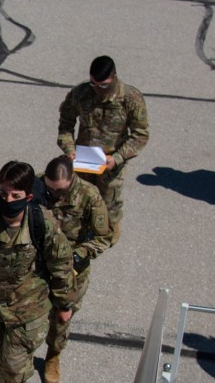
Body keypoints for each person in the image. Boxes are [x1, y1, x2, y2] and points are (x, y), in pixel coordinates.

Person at [0, 161, 74, 383]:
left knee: (13, 365)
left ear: (28, 197)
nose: (8, 200)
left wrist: (64, 304)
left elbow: (61, 265)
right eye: (3, 193)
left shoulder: (41, 223)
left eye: (16, 196)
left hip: (27, 308)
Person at [56, 55, 150, 244]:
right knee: (78, 199)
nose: (98, 89)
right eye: (94, 84)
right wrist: (69, 149)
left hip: (111, 163)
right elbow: (66, 123)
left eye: (104, 85)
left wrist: (117, 158)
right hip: (83, 159)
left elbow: (140, 134)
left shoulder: (131, 98)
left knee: (108, 203)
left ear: (114, 77)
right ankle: (79, 233)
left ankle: (106, 236)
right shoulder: (81, 94)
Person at [41, 155, 111, 383]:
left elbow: (103, 238)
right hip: (39, 265)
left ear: (72, 179)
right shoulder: (38, 185)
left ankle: (53, 354)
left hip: (72, 270)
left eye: (60, 190)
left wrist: (77, 255)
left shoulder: (89, 196)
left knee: (61, 318)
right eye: (50, 189)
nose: (54, 194)